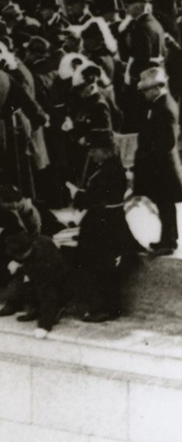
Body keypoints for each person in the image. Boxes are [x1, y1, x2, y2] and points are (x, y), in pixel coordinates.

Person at [73, 126, 133, 322]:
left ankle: (108, 308)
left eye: (94, 150)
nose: (90, 154)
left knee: (103, 266)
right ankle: (100, 304)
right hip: (102, 222)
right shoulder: (107, 167)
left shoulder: (110, 171)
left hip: (105, 225)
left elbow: (98, 199)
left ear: (106, 151)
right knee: (96, 264)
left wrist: (79, 197)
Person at [133, 66, 182, 255]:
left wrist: (150, 155)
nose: (144, 94)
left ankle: (168, 241)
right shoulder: (160, 104)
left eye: (146, 90)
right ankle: (168, 239)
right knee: (164, 205)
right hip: (160, 165)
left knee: (165, 204)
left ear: (156, 88)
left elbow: (167, 140)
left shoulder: (163, 107)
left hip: (162, 166)